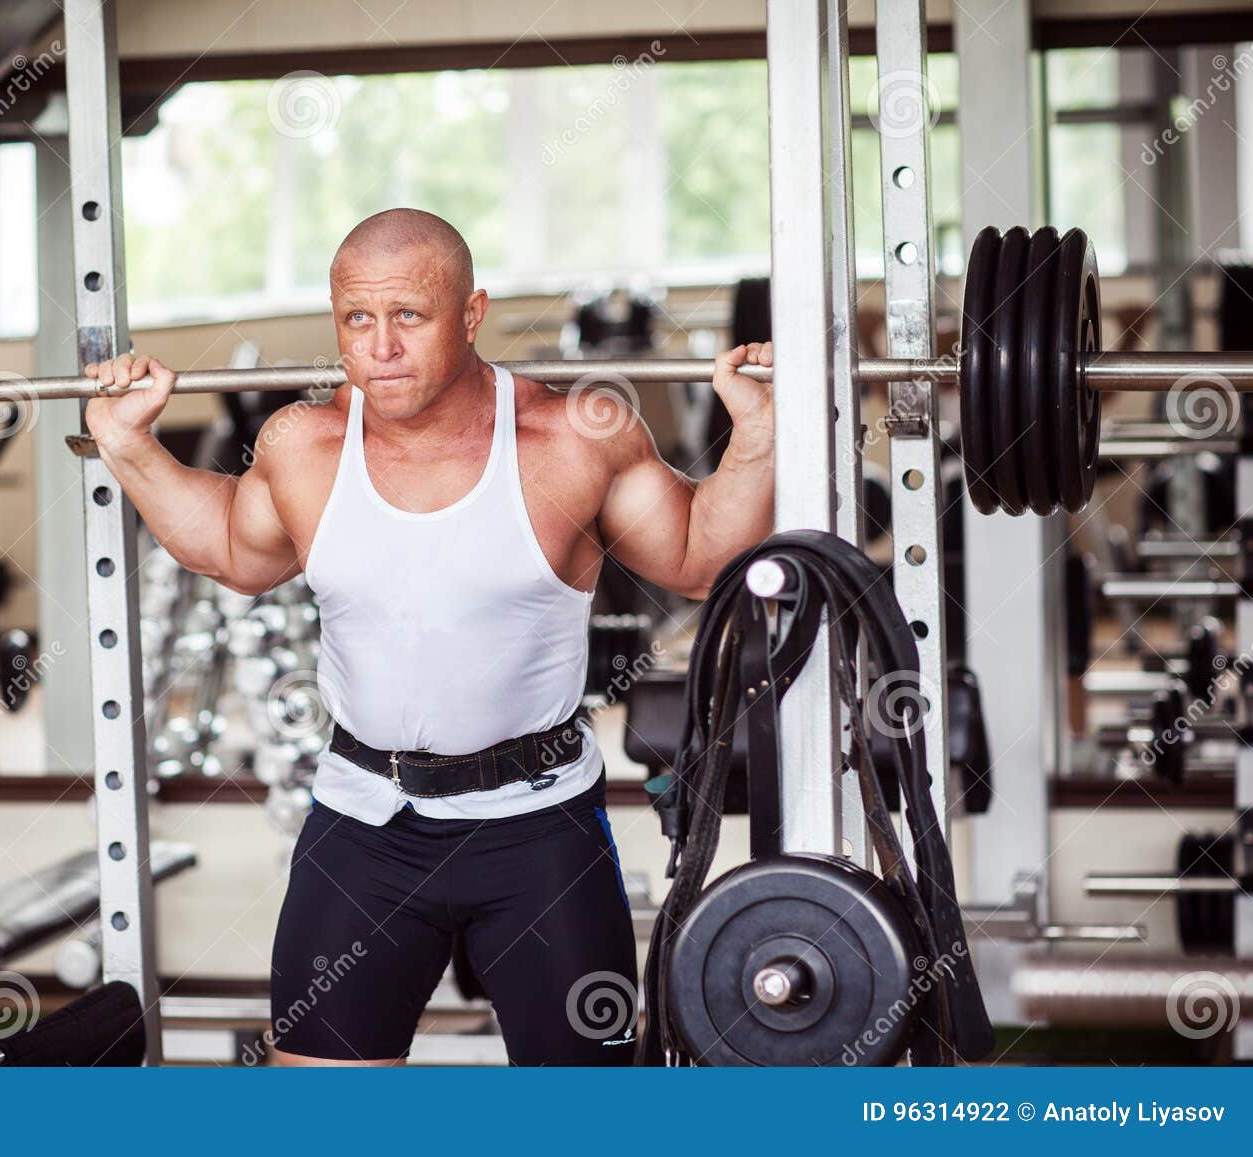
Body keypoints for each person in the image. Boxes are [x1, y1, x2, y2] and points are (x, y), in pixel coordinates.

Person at [83, 207, 774, 1066]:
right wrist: (128, 442)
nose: (381, 347)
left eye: (409, 315)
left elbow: (700, 557)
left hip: (540, 827)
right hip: (362, 824)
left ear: (472, 314)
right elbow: (231, 548)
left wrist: (759, 433)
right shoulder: (305, 446)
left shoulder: (571, 439)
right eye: (357, 320)